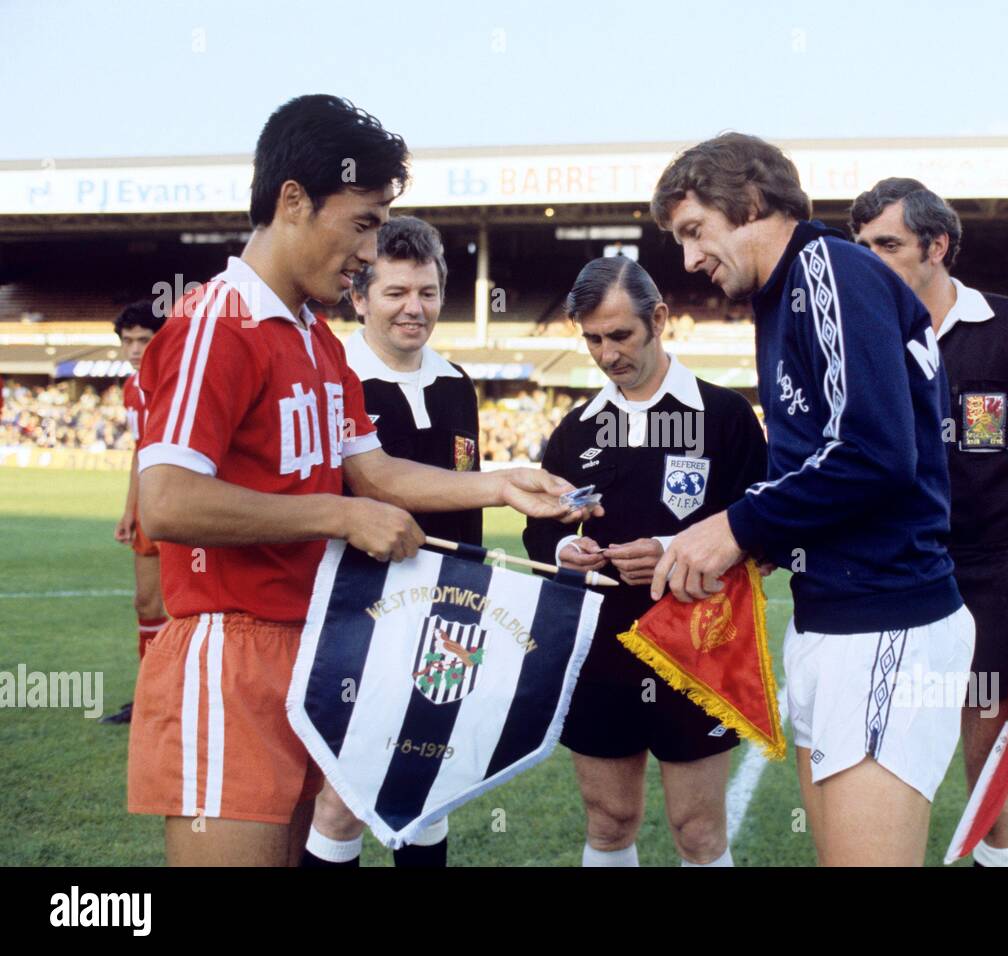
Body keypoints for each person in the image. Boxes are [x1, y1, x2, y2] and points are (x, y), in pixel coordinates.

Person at [128, 95, 594, 867]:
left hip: (309, 650)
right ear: (293, 201)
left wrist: (502, 484)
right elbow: (168, 500)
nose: (371, 251)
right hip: (229, 654)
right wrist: (339, 519)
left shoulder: (315, 339)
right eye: (364, 221)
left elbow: (373, 472)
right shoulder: (219, 324)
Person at [649, 133, 973, 866]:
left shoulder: (825, 267)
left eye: (695, 231)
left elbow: (873, 452)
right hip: (835, 619)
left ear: (753, 201)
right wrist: (734, 544)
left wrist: (735, 526)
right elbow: (816, 464)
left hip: (886, 619)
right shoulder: (785, 296)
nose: (690, 259)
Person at [850, 177, 1008, 867]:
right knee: (884, 761)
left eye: (886, 244)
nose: (869, 259)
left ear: (938, 245)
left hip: (984, 577)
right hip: (887, 574)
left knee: (990, 769)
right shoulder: (860, 335)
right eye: (860, 247)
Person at [523, 256, 767, 867]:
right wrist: (563, 551)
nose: (607, 355)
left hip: (699, 649)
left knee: (697, 830)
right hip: (600, 652)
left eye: (621, 335)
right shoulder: (577, 429)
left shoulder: (726, 419)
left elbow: (767, 534)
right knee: (609, 822)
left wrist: (672, 552)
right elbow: (537, 532)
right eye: (592, 340)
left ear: (658, 319)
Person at [300, 215, 478, 868]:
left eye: (427, 292)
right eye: (397, 292)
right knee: (342, 796)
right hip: (352, 619)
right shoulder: (331, 377)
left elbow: (466, 505)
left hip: (446, 620)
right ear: (360, 297)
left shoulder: (457, 381)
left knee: (425, 788)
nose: (415, 308)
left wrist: (471, 606)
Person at [101, 299, 170, 725]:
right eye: (128, 341)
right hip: (148, 508)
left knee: (184, 607)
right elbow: (140, 451)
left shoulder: (179, 382)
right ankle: (149, 695)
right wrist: (129, 509)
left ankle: (175, 698)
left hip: (182, 508)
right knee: (146, 603)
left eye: (144, 340)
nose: (134, 349)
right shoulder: (131, 389)